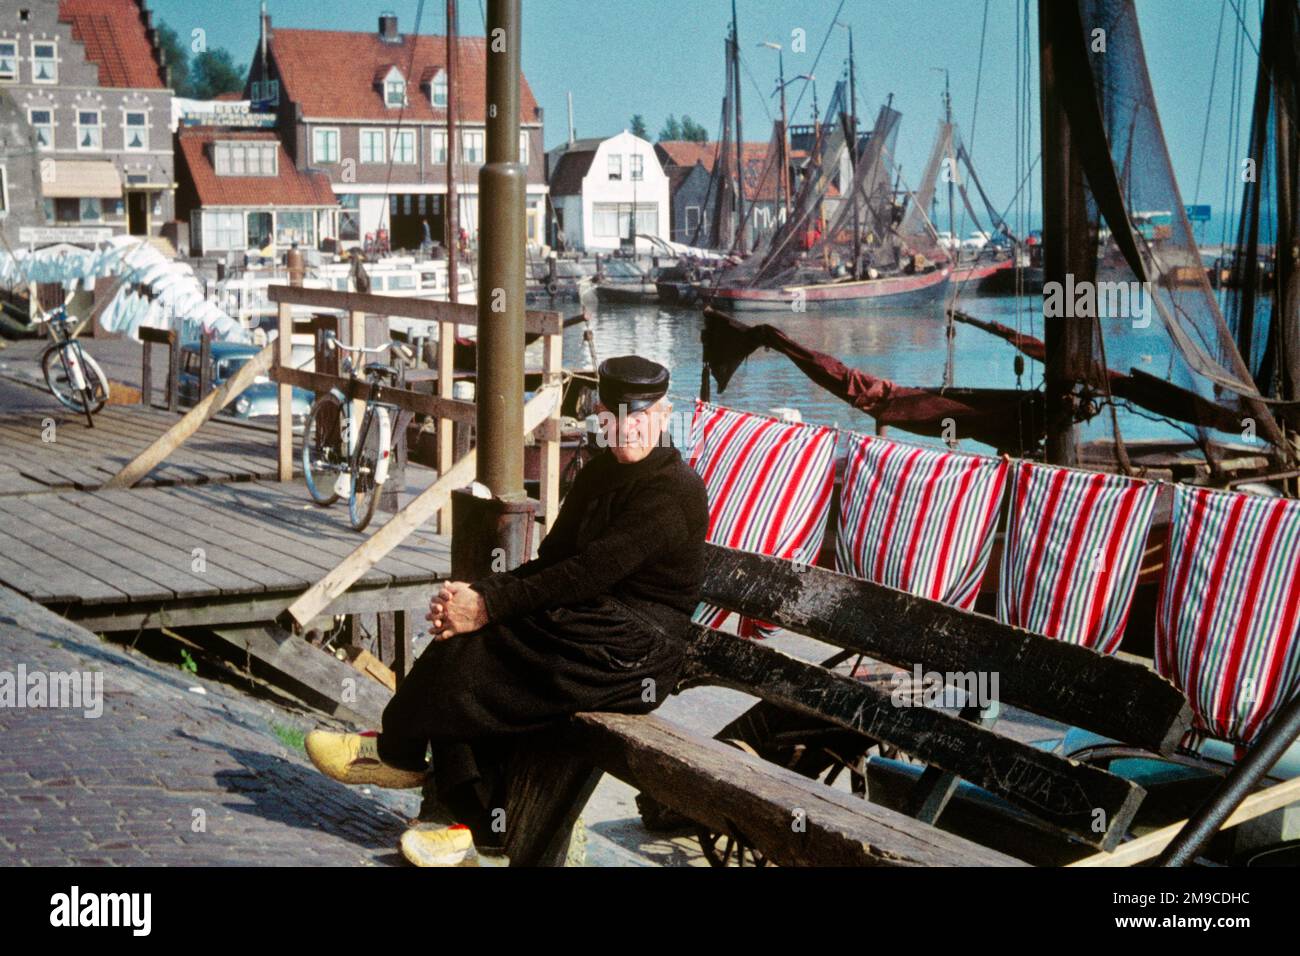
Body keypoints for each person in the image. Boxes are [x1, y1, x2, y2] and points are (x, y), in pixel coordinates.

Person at [304, 356, 709, 866]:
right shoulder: (599, 472)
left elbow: (587, 573)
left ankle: (402, 757)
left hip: (636, 648)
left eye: (639, 415)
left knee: (491, 649)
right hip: (589, 622)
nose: (626, 427)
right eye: (614, 416)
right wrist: (475, 596)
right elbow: (554, 563)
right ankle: (466, 821)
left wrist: (488, 605)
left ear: (663, 415)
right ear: (600, 417)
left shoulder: (674, 491)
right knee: (469, 641)